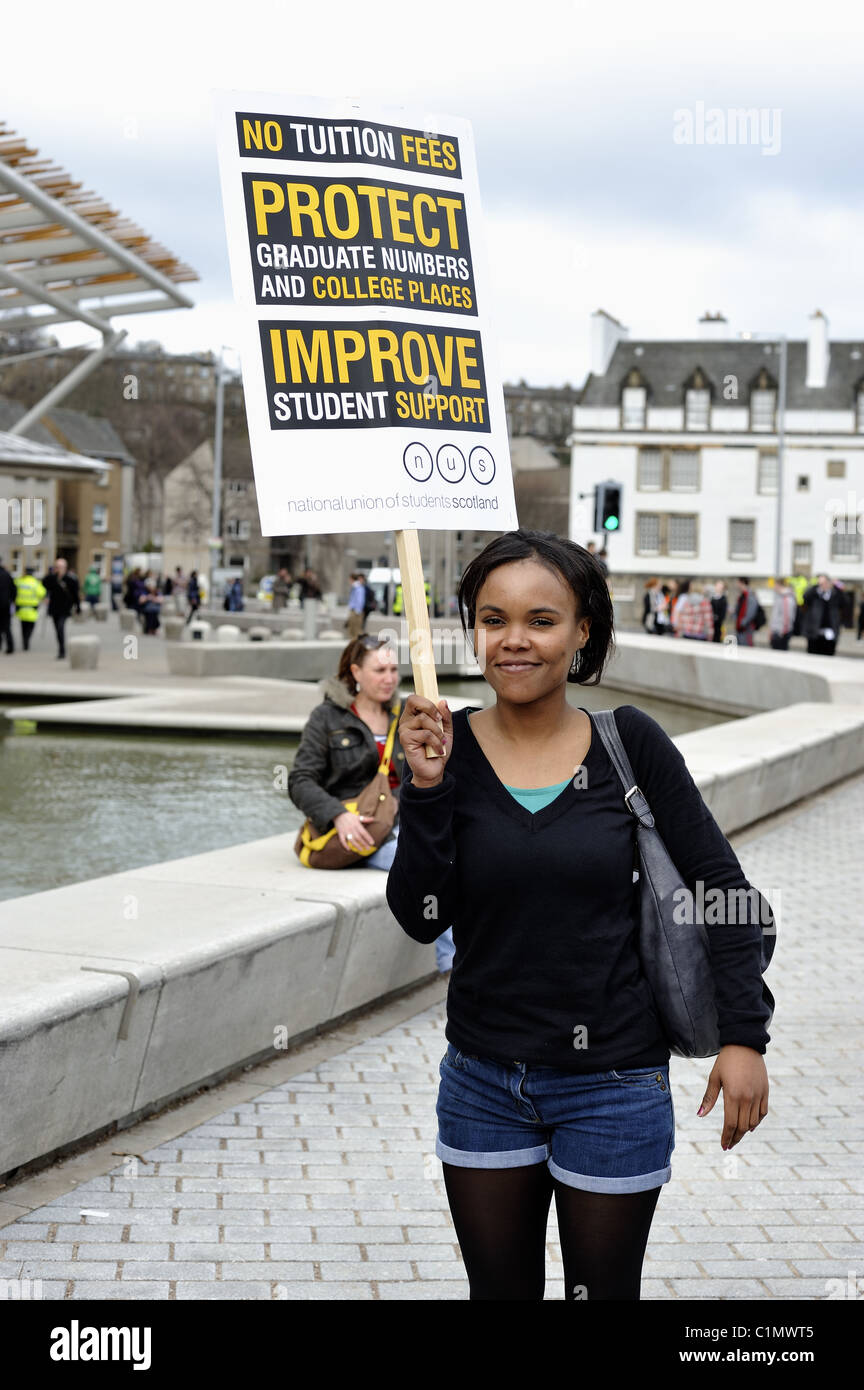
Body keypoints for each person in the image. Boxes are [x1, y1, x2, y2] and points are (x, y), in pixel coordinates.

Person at [386, 528, 773, 1301]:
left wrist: (743, 1038)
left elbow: (724, 891)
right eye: (494, 620)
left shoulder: (629, 742)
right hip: (483, 1083)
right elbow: (422, 916)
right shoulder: (446, 745)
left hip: (615, 1084)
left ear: (582, 631)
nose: (514, 641)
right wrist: (425, 792)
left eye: (541, 620)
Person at [288, 633, 454, 973]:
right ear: (356, 673)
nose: (389, 678)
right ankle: (452, 969)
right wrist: (337, 816)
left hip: (406, 818)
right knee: (434, 868)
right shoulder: (328, 718)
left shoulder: (405, 713)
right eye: (379, 670)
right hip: (361, 829)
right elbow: (300, 780)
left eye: (394, 669)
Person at [42, 558, 81, 659]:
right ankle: (61, 648)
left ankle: (62, 650)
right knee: (57, 629)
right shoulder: (52, 578)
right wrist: (52, 573)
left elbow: (76, 594)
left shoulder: (70, 580)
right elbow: (44, 583)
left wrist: (78, 607)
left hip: (65, 608)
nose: (58, 569)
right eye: (57, 567)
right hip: (54, 608)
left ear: (65, 568)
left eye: (60, 567)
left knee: (60, 627)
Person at [801, 573, 844, 656]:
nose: (822, 585)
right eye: (820, 583)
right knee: (813, 654)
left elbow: (845, 602)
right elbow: (805, 597)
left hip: (830, 631)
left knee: (828, 654)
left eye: (824, 583)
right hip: (815, 631)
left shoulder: (834, 594)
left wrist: (837, 586)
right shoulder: (814, 593)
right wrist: (815, 586)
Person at [14, 566, 46, 651]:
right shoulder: (35, 583)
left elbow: (13, 590)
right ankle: (27, 640)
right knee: (30, 627)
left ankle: (25, 640)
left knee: (23, 627)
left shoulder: (20, 582)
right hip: (32, 610)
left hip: (21, 609)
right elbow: (42, 593)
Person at [769, 579, 797, 651]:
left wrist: (783, 632)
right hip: (777, 631)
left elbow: (787, 617)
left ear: (779, 585)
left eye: (775, 585)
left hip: (781, 633)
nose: (774, 587)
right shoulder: (780, 597)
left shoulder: (786, 597)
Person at [734, 577, 758, 647]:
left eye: (738, 583)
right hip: (740, 627)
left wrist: (743, 622)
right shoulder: (741, 595)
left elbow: (751, 612)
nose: (737, 585)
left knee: (746, 647)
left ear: (742, 583)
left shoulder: (750, 595)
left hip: (746, 627)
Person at [0, 557, 16, 654]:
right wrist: (12, 600)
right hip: (5, 604)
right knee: (7, 627)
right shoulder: (7, 574)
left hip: (4, 604)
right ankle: (10, 647)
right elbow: (14, 589)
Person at [344, 572, 366, 640]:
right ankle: (354, 644)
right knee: (352, 629)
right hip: (354, 610)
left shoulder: (358, 588)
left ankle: (359, 645)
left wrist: (357, 611)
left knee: (356, 630)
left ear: (351, 579)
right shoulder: (355, 587)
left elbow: (360, 600)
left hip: (356, 612)